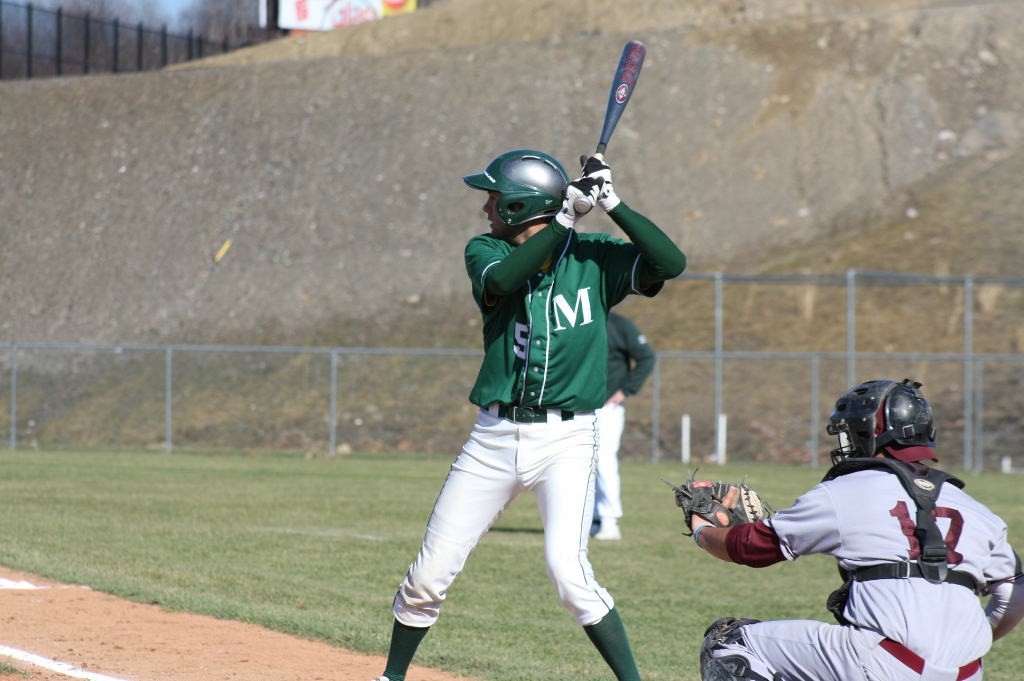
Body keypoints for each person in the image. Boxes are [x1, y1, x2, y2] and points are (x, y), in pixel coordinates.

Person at [368, 150, 686, 681]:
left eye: (494, 197)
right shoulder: (485, 250)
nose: (486, 208)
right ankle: (391, 677)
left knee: (570, 575)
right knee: (428, 575)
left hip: (567, 441)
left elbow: (670, 264)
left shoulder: (595, 257)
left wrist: (613, 203)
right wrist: (562, 219)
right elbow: (506, 280)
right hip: (493, 437)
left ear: (520, 204)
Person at [688, 378, 1024, 681]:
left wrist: (703, 530)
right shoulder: (977, 510)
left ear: (869, 433)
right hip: (964, 673)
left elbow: (750, 547)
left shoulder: (848, 490)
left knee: (729, 640)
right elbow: (1014, 593)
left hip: (882, 663)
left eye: (850, 433)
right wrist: (963, 642)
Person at [591, 312, 656, 541]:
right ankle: (592, 519)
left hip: (607, 407)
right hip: (576, 405)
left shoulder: (619, 325)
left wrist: (625, 391)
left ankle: (609, 521)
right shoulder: (575, 318)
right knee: (577, 463)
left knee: (604, 459)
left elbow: (647, 356)